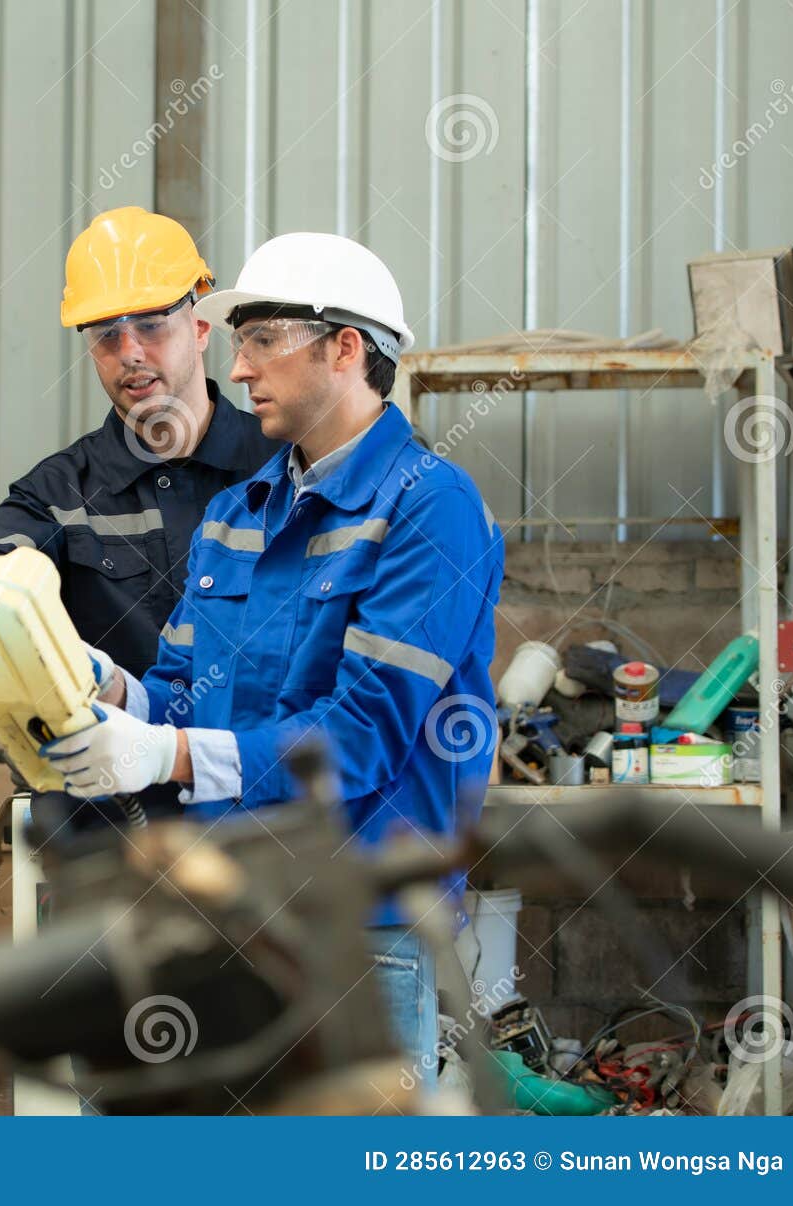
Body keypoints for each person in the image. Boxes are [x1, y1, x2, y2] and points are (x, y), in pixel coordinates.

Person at [40, 231, 505, 1066]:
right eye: (243, 343)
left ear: (346, 348)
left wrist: (166, 753)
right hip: (232, 922)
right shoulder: (236, 515)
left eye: (261, 340)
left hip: (365, 935)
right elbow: (180, 693)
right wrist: (110, 690)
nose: (241, 369)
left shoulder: (432, 510)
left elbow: (359, 740)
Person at [0, 206, 281, 834]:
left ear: (202, 324)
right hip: (106, 832)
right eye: (105, 333)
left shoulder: (284, 470)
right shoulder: (60, 493)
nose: (130, 353)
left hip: (261, 816)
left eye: (152, 325)